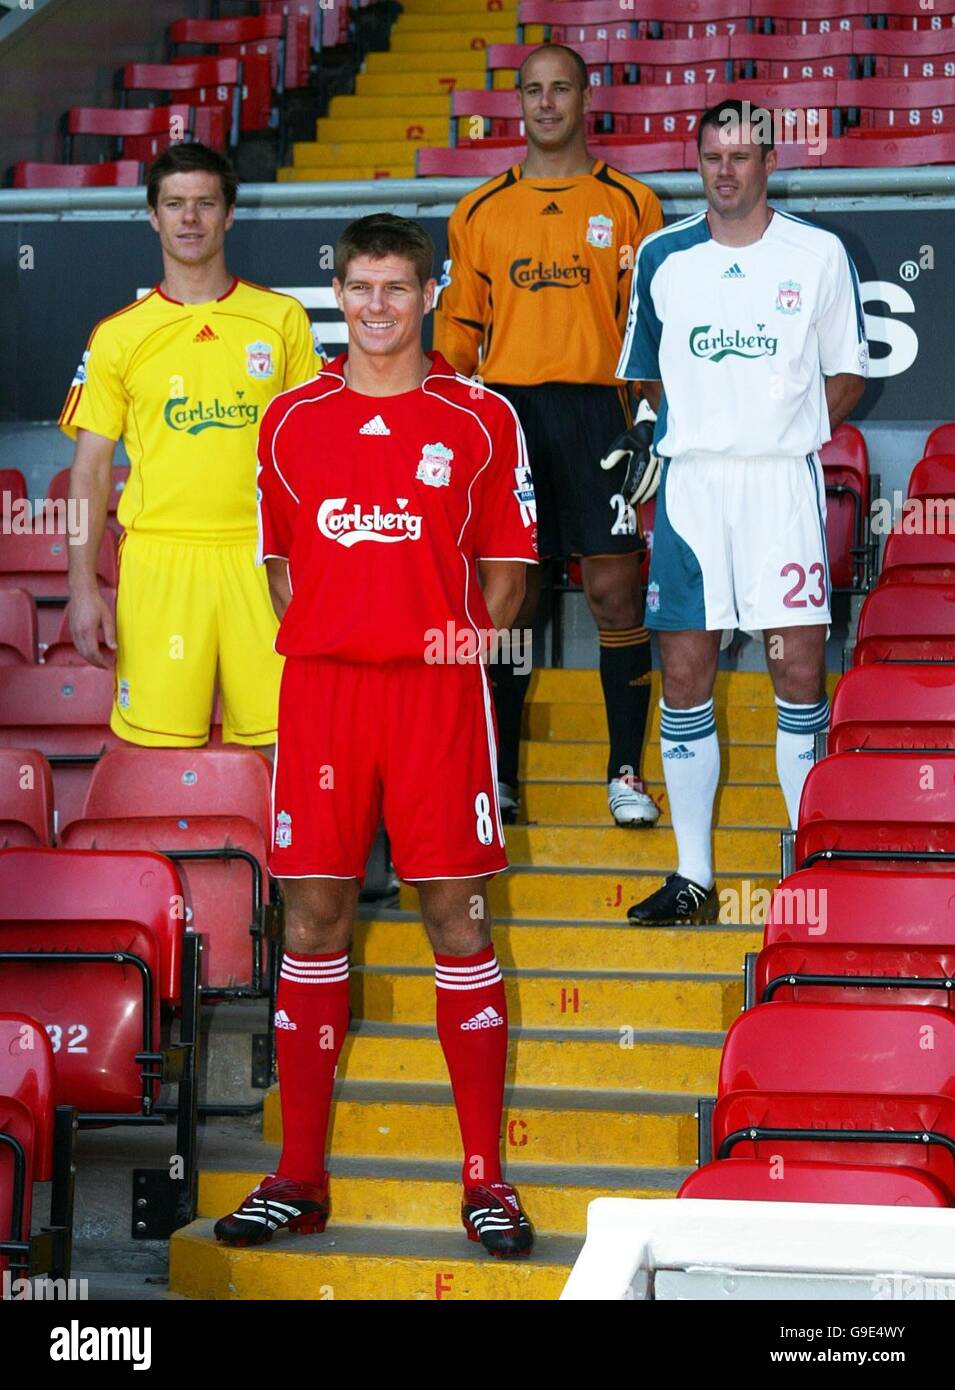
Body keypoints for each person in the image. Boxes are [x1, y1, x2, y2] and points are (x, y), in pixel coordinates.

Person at [214, 214, 538, 1257]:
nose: (376, 307)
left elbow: (506, 569)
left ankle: (485, 1179)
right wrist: (340, 633)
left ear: (429, 293)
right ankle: (298, 1176)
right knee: (310, 917)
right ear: (339, 294)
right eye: (359, 288)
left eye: (396, 288)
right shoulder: (287, 420)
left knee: (456, 912)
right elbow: (280, 567)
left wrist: (447, 650)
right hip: (322, 694)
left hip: (437, 699)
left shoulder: (482, 417)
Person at [617, 99, 868, 925]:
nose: (727, 170)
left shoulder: (818, 254)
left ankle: (806, 863)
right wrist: (664, 430)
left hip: (779, 487)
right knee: (684, 673)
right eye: (712, 155)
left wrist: (789, 432)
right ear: (697, 162)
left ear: (768, 162)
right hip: (692, 492)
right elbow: (640, 371)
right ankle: (693, 877)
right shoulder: (661, 255)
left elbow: (849, 372)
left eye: (742, 155)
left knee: (796, 667)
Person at [434, 43, 665, 829]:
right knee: (512, 600)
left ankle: (626, 773)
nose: (544, 102)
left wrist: (647, 419)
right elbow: (458, 338)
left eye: (559, 88)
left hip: (598, 415)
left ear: (583, 97)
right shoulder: (477, 210)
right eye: (531, 90)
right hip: (508, 419)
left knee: (614, 591)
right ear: (518, 103)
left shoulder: (632, 203)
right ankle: (497, 781)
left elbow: (649, 326)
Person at [60, 142, 320, 751]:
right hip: (160, 563)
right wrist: (81, 588)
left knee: (284, 746)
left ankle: (282, 852)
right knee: (154, 748)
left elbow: (316, 454)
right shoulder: (118, 335)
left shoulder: (280, 320)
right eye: (174, 204)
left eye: (206, 203)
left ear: (230, 214)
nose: (190, 218)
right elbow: (89, 473)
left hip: (265, 562)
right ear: (153, 216)